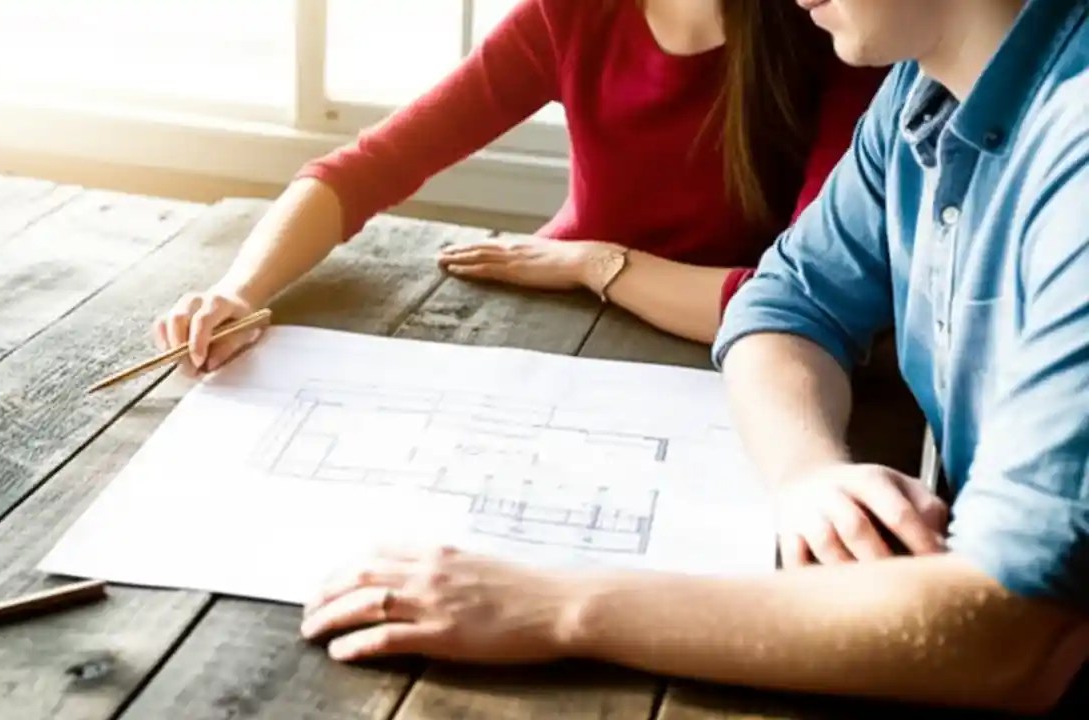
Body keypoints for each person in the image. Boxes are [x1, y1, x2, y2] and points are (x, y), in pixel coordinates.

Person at [297, 0, 1089, 713]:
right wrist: (807, 473)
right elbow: (786, 300)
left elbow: (1010, 632)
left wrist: (559, 608)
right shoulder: (918, 87)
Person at [154, 0, 884, 370]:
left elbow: (797, 301)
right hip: (550, 323)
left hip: (729, 350)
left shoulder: (837, 31)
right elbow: (369, 165)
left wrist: (594, 262)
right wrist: (239, 292)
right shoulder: (573, 12)